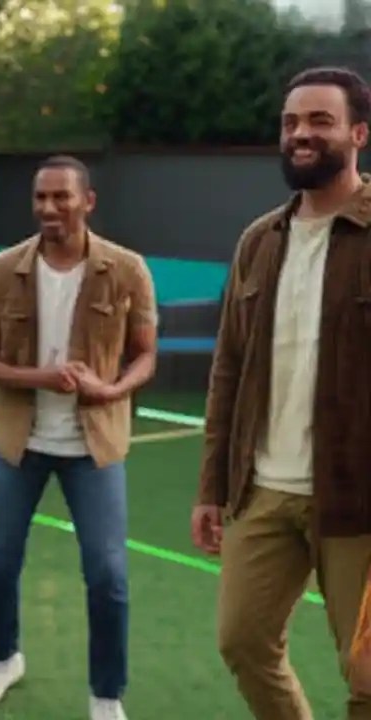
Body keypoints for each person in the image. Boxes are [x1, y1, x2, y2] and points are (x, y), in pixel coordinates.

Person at [192, 66, 371, 720]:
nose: (301, 134)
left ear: (358, 133)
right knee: (242, 641)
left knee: (368, 674)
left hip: (358, 496)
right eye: (291, 122)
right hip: (263, 489)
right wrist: (212, 486)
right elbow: (229, 370)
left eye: (320, 121)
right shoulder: (259, 241)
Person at [0, 155, 157, 720]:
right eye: (41, 198)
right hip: (18, 443)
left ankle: (106, 693)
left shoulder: (127, 269)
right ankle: (3, 659)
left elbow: (146, 354)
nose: (49, 208)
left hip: (93, 447)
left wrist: (111, 389)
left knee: (108, 574)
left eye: (61, 197)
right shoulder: (2, 270)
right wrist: (42, 378)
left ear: (87, 202)